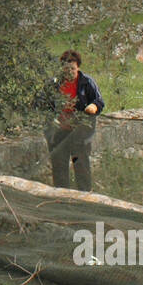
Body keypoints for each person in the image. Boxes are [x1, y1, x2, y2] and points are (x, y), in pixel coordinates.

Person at [44, 50, 104, 191]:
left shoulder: (87, 82)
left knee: (80, 162)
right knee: (59, 163)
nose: (69, 71)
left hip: (80, 131)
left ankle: (84, 195)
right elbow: (42, 103)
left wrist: (92, 106)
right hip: (59, 130)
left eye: (72, 68)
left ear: (78, 68)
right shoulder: (54, 84)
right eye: (66, 68)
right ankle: (61, 195)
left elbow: (99, 101)